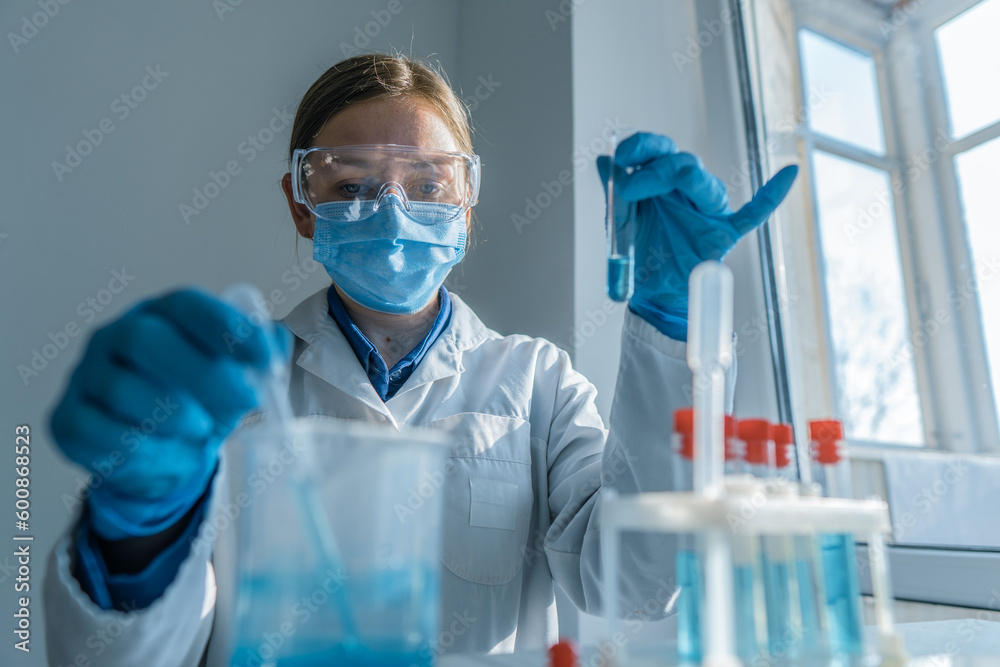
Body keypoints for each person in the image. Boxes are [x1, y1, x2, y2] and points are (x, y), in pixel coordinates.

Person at [44, 53, 797, 665]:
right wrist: (138, 526)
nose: (394, 211)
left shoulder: (536, 383)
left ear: (466, 205)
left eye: (429, 183)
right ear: (302, 204)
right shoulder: (227, 386)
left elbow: (638, 579)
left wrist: (672, 317)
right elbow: (122, 659)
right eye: (350, 184)